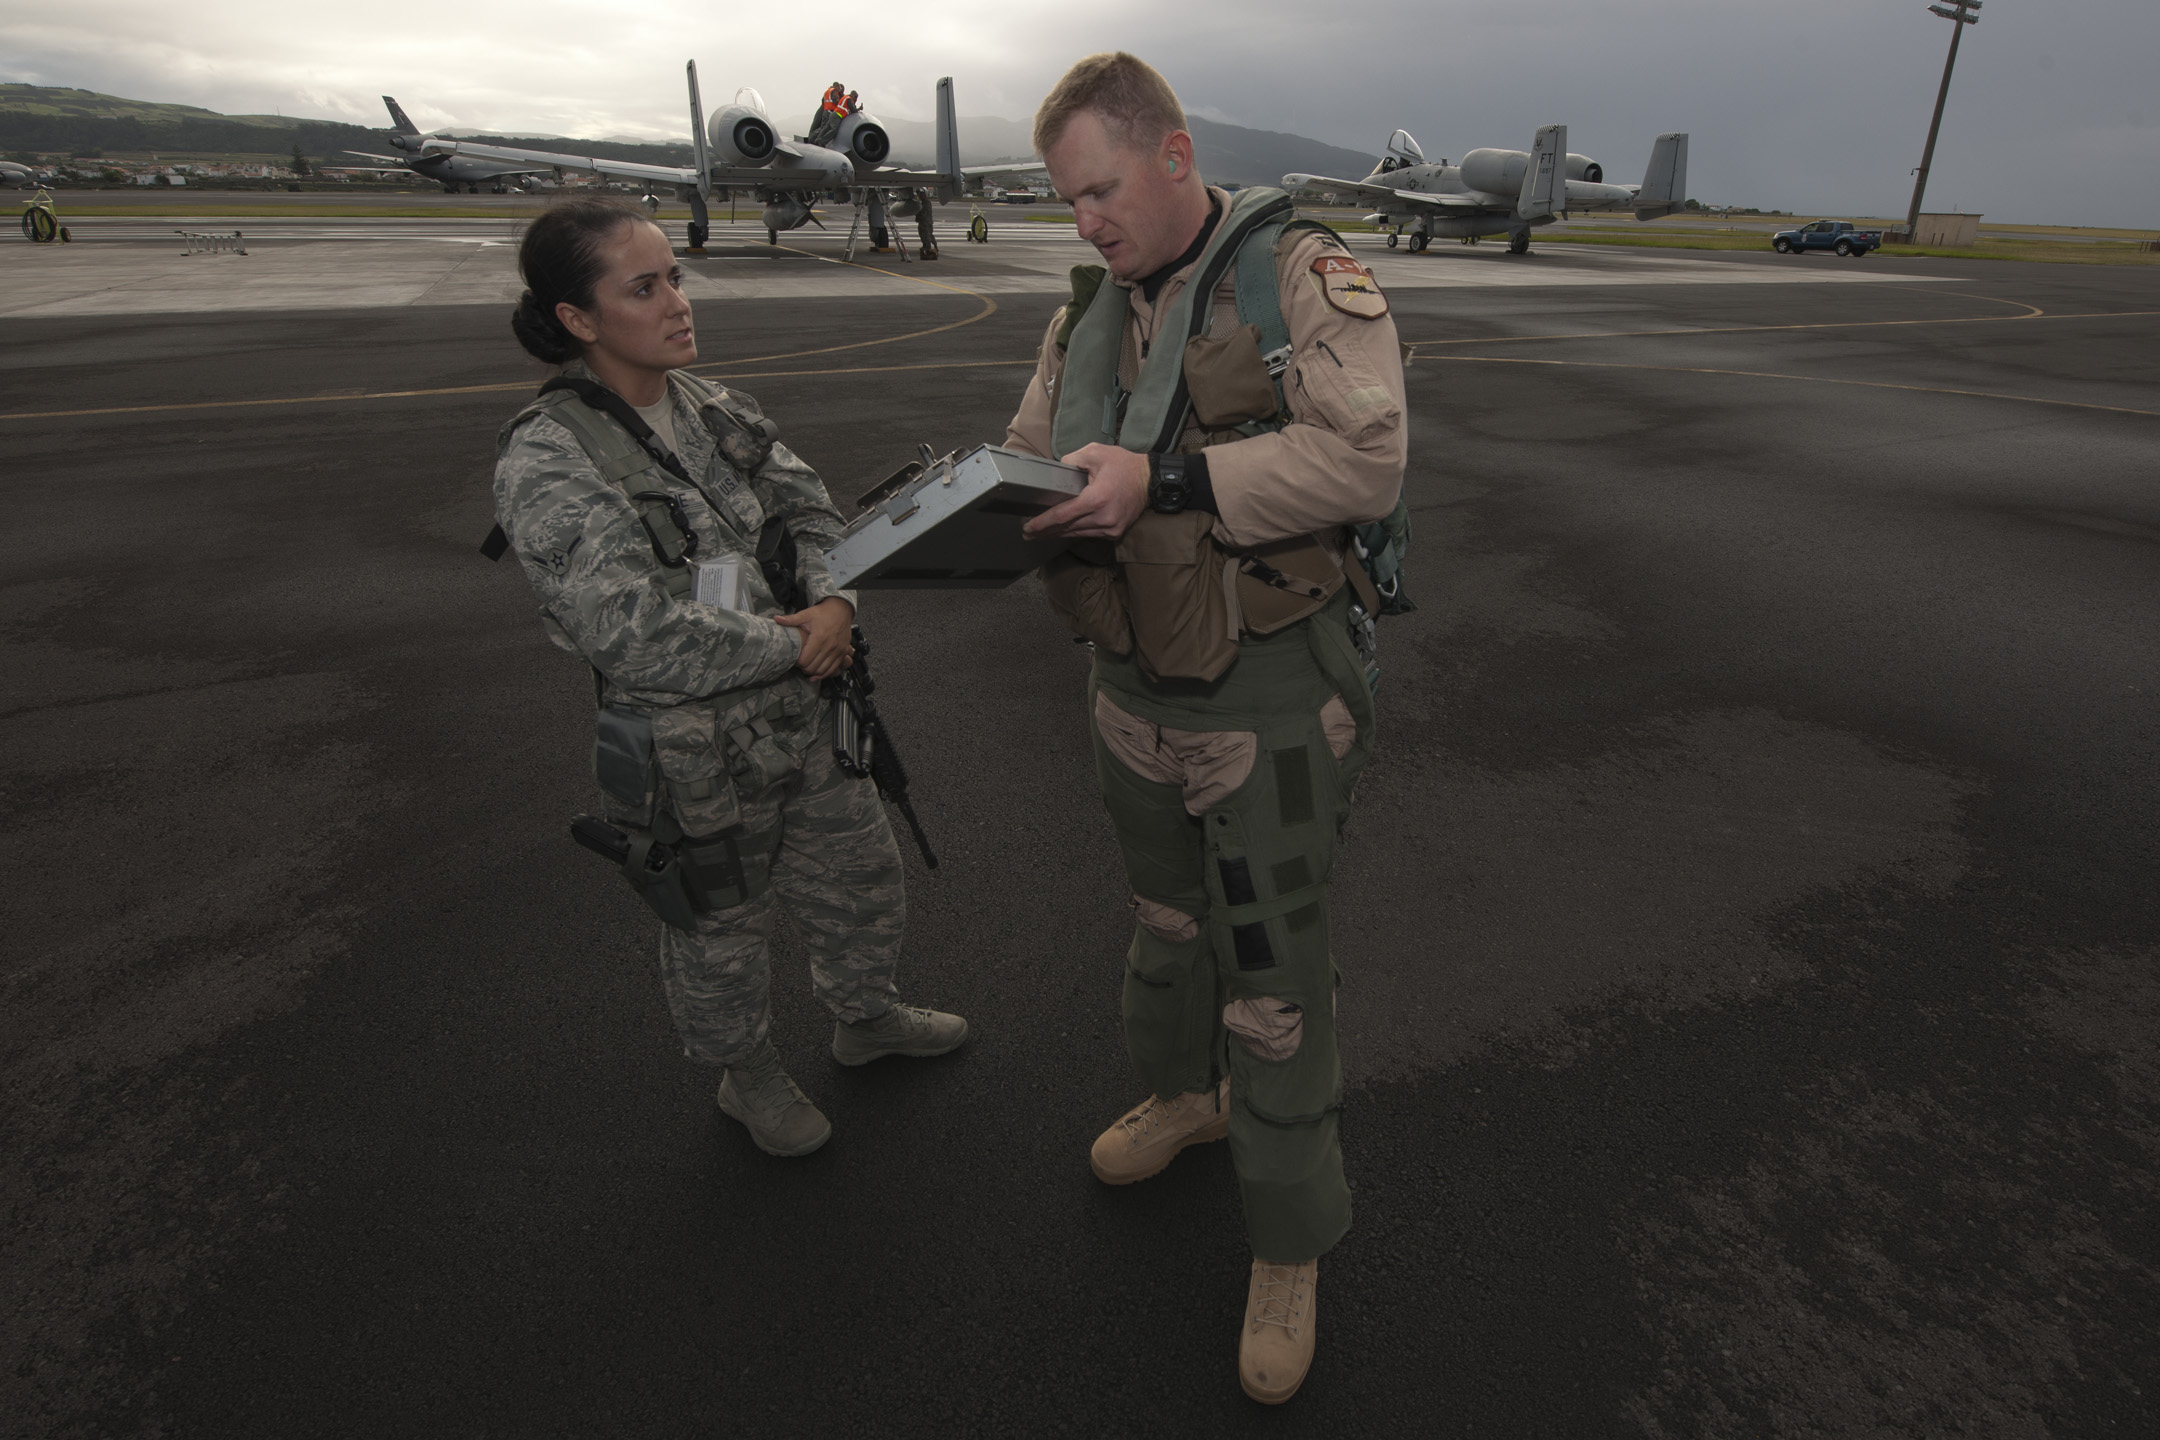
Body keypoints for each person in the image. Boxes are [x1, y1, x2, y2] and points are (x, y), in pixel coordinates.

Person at [1000, 53, 1406, 1404]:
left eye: (1102, 191)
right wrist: (993, 502)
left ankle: (1288, 1243)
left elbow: (1366, 457)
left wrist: (1164, 476)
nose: (1087, 223)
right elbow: (1033, 443)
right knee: (1167, 923)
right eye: (1068, 200)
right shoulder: (1088, 311)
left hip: (1272, 695)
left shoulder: (1296, 273)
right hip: (1132, 688)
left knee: (1275, 980)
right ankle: (1184, 1099)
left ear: (1174, 156)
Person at [492, 199, 966, 1158]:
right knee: (719, 926)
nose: (677, 302)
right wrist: (798, 644)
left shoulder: (719, 407)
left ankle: (863, 1017)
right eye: (644, 286)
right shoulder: (550, 457)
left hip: (808, 713)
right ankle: (746, 1080)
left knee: (860, 877)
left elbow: (816, 514)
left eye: (676, 277)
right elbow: (633, 633)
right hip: (692, 749)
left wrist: (835, 608)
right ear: (578, 320)